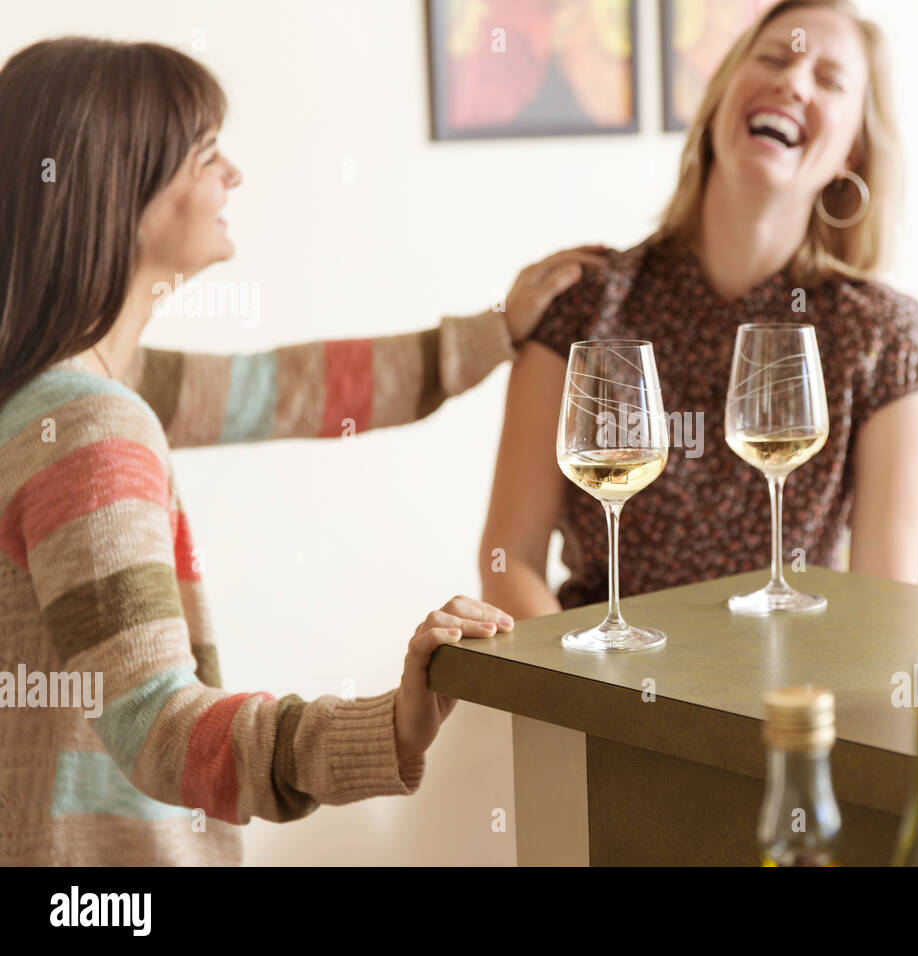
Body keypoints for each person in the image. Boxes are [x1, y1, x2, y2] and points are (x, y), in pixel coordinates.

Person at [0, 37, 603, 865]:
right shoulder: (91, 424)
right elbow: (160, 729)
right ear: (120, 189)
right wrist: (387, 724)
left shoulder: (52, 388)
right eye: (207, 154)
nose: (233, 177)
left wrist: (494, 333)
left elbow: (291, 388)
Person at [481, 0, 918, 619]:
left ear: (852, 152)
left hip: (790, 698)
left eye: (829, 80)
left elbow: (883, 610)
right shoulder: (584, 303)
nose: (792, 81)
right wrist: (598, 697)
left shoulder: (884, 337)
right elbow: (508, 561)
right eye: (774, 58)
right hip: (594, 691)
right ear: (722, 99)